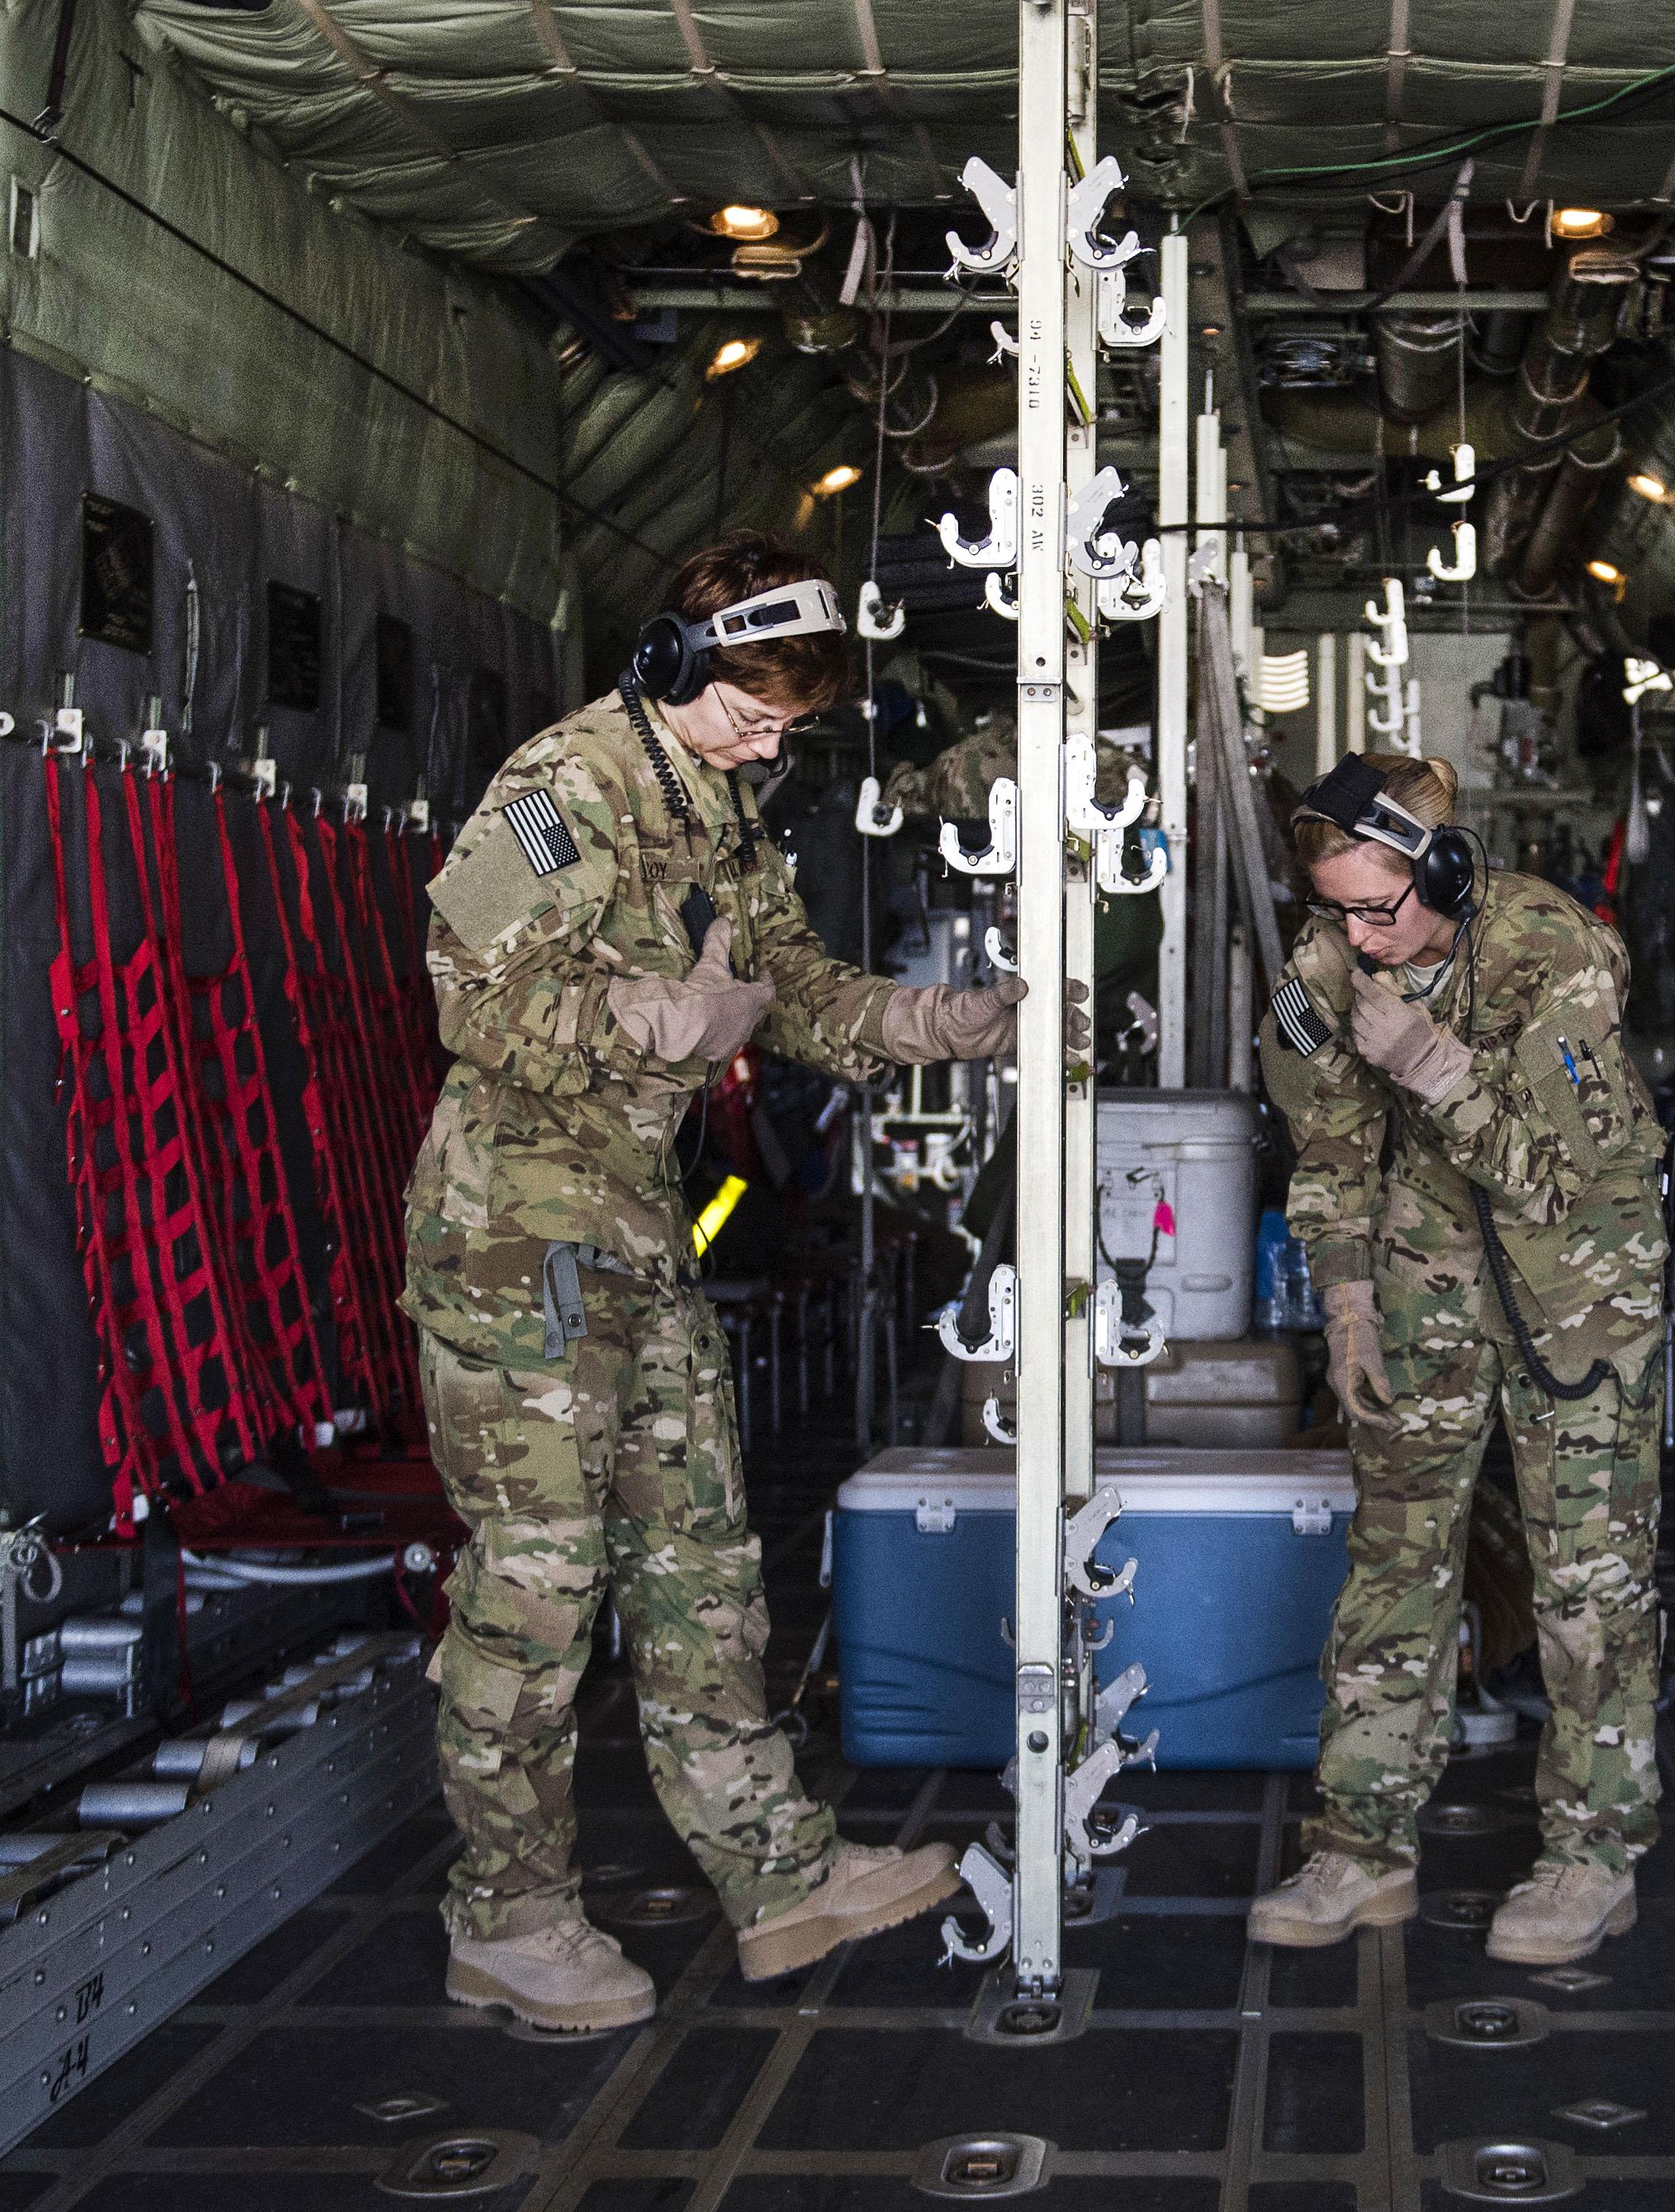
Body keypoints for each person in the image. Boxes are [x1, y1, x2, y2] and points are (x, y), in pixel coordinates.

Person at [405, 532, 1024, 2032]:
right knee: (536, 1601)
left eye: (791, 721)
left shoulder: (729, 816)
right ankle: (509, 1922)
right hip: (520, 1247)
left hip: (635, 1236)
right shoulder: (568, 791)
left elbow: (800, 993)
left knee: (703, 1577)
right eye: (749, 708)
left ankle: (777, 1878)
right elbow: (465, 993)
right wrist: (655, 1023)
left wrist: (940, 1021)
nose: (770, 738)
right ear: (674, 665)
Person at [1245, 750, 1672, 1967]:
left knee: (1590, 1577)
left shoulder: (1554, 951)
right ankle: (1361, 1847)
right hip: (1421, 1280)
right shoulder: (1323, 970)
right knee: (1395, 1559)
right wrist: (1344, 1310)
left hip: (1580, 1287)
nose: (1359, 936)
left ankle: (1592, 1857)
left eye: (1378, 906)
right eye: (1334, 909)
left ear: (1442, 867)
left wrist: (1432, 1067)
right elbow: (1325, 1158)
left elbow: (1561, 1175)